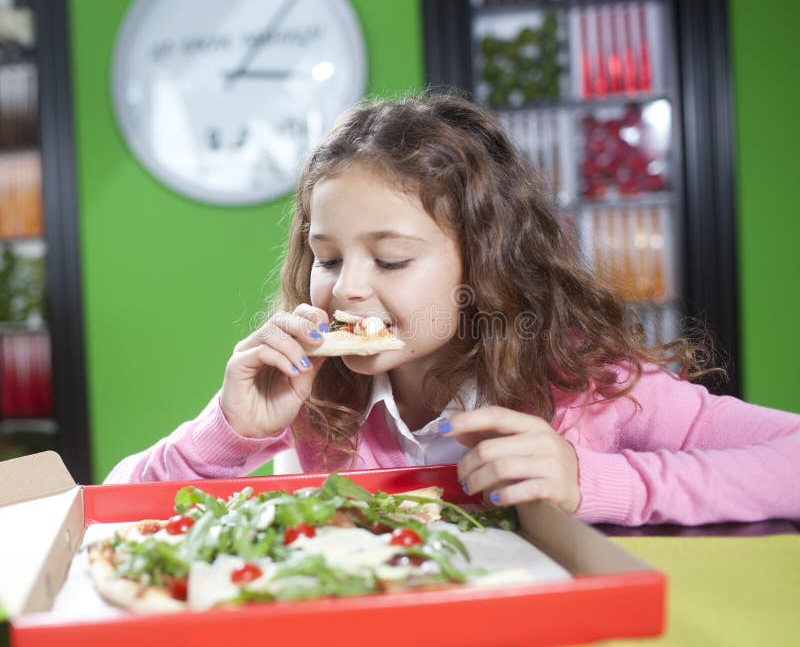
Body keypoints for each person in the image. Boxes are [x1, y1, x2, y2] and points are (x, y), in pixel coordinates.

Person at [106, 93, 800, 527]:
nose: (346, 289)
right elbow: (113, 504)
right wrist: (230, 432)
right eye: (329, 257)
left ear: (486, 266)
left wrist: (595, 481)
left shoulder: (588, 388)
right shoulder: (316, 399)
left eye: (391, 260)